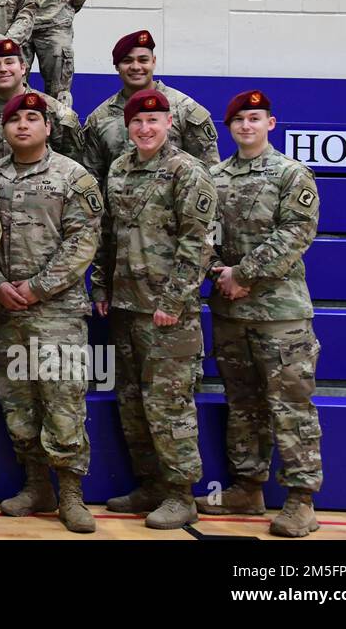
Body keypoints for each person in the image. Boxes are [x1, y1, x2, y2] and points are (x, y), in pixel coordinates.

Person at [200, 89, 324, 538]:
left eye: (255, 118)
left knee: (291, 407)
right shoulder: (213, 177)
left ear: (270, 123)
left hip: (281, 314)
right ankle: (247, 487)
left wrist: (245, 274)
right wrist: (219, 272)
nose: (246, 126)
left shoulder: (291, 174)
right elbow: (202, 236)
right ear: (228, 128)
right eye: (239, 120)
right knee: (244, 405)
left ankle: (300, 500)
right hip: (231, 312)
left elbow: (296, 233)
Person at [91, 88, 216, 529]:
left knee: (169, 405)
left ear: (168, 124)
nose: (146, 129)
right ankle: (150, 485)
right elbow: (109, 233)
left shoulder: (188, 171)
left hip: (167, 312)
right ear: (128, 127)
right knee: (132, 403)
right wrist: (102, 286)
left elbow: (197, 243)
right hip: (125, 305)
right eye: (138, 123)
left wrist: (174, 301)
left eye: (154, 121)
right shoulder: (119, 169)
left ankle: (181, 494)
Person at [0, 91, 102, 534]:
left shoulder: (75, 178)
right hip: (4, 312)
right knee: (18, 406)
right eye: (15, 120)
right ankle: (37, 486)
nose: (23, 126)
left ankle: (71, 494)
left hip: (57, 313)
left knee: (63, 404)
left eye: (33, 118)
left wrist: (35, 288)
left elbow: (82, 243)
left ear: (48, 127)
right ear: (4, 128)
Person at [82, 30, 219, 188]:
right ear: (116, 66)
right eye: (127, 61)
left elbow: (209, 171)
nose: (136, 67)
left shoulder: (185, 109)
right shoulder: (100, 118)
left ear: (153, 62)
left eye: (143, 60)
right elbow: (92, 178)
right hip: (117, 209)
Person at [0, 39, 82, 164]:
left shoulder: (55, 111)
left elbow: (73, 163)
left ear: (23, 68)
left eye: (9, 62)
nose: (3, 69)